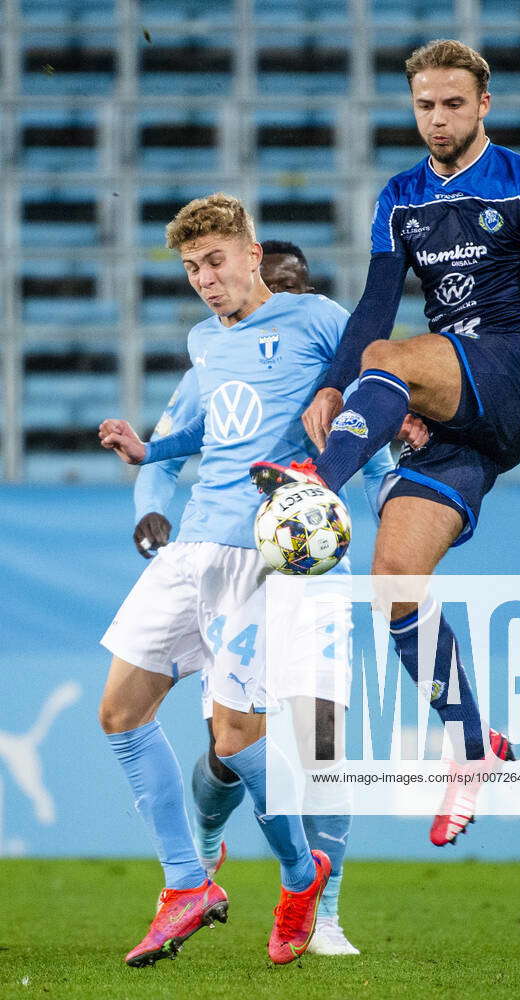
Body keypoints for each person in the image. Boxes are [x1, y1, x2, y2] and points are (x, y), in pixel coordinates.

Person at [249, 39, 520, 847]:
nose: (438, 117)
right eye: (425, 104)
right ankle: (472, 747)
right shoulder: (399, 197)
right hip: (461, 404)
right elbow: (374, 302)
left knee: (391, 361)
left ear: (483, 105)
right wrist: (336, 385)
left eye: (454, 103)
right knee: (393, 581)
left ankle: (312, 484)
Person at [98, 193, 423, 967]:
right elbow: (213, 428)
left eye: (214, 262)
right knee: (119, 713)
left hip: (277, 557)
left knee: (247, 735)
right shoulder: (203, 338)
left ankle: (304, 878)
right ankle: (189, 883)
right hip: (195, 554)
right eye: (190, 269)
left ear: (249, 252)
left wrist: (405, 417)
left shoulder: (315, 319)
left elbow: (374, 384)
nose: (205, 280)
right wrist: (153, 454)